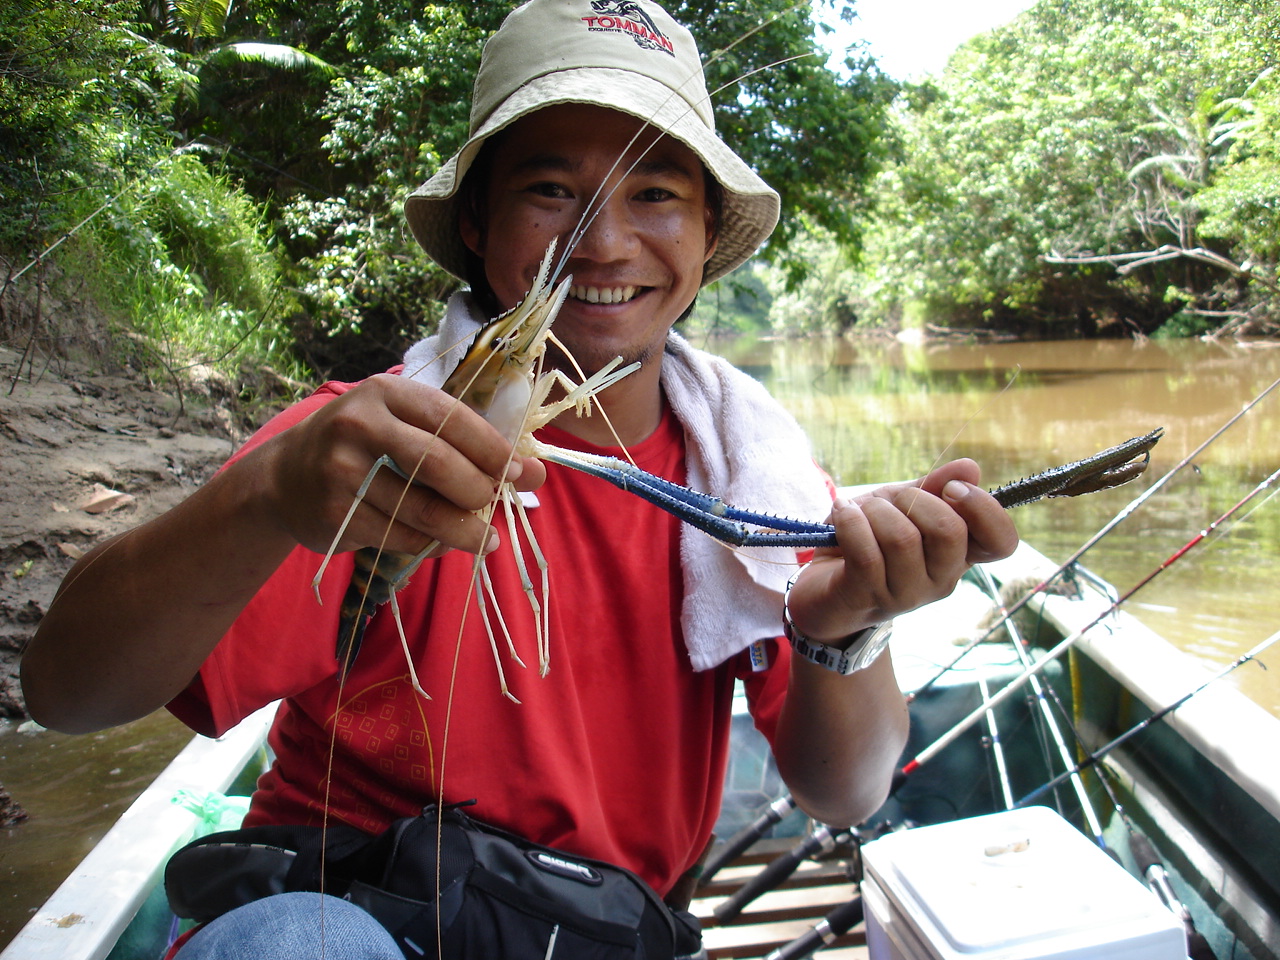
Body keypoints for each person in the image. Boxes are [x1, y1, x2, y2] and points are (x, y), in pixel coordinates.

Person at [21, 0, 1018, 955]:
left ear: (707, 236)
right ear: (476, 227)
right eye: (548, 192)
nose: (600, 244)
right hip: (351, 913)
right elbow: (65, 693)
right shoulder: (344, 452)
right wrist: (263, 497)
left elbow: (841, 795)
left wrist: (845, 624)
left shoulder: (756, 496)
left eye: (656, 195)